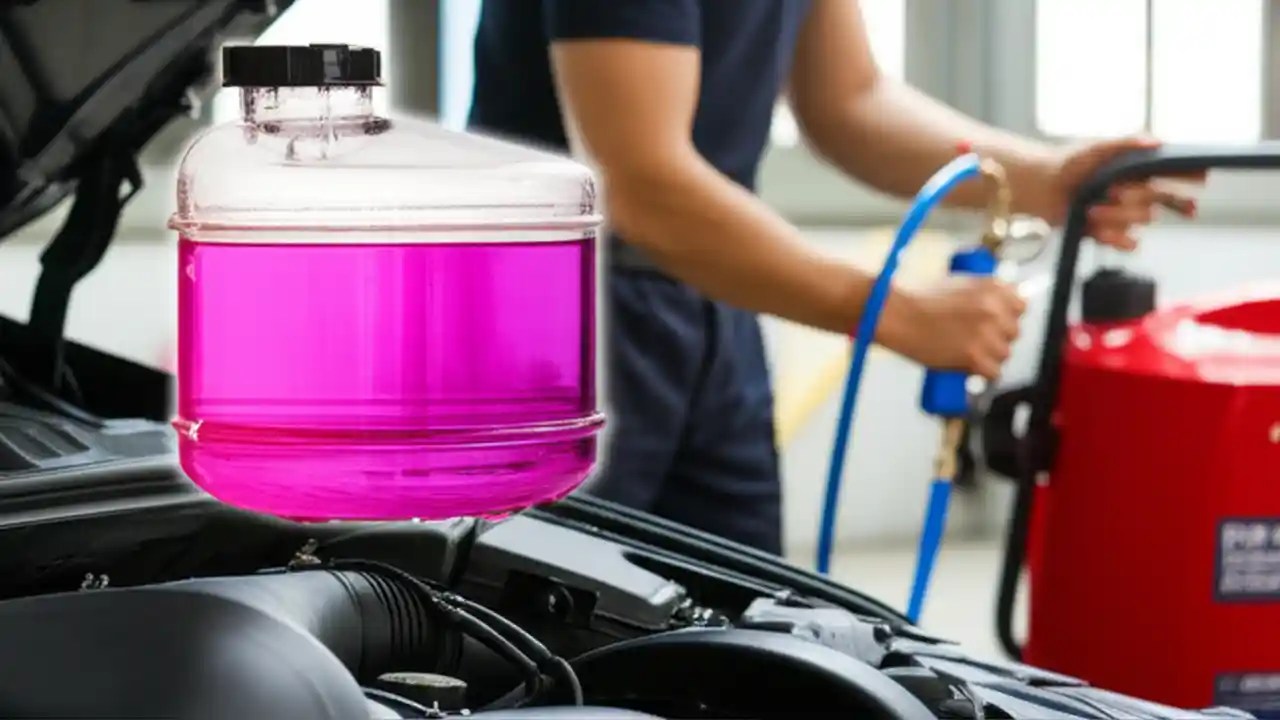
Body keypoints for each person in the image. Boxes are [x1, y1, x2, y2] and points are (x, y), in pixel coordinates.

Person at [468, 0, 1197, 555]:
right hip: (556, 319)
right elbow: (640, 184)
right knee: (539, 639)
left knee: (731, 645)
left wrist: (1045, 178)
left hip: (709, 299)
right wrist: (895, 309)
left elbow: (849, 100)